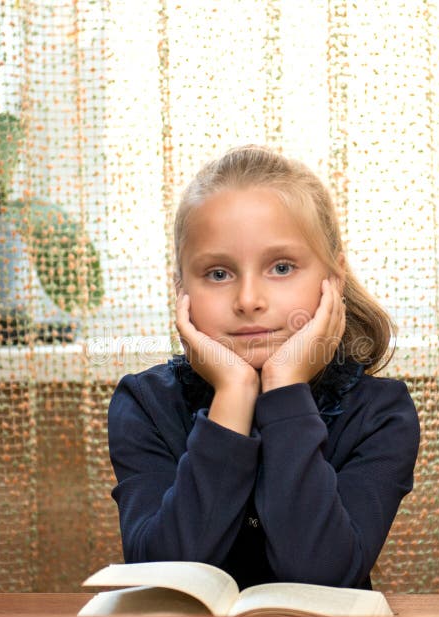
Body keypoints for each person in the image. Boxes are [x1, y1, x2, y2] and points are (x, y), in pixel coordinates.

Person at [108, 145, 419, 590]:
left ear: (335, 278)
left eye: (281, 267)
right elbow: (165, 574)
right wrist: (233, 395)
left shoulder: (382, 414)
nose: (248, 300)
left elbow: (324, 575)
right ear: (181, 288)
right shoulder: (144, 404)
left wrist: (283, 388)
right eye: (218, 274)